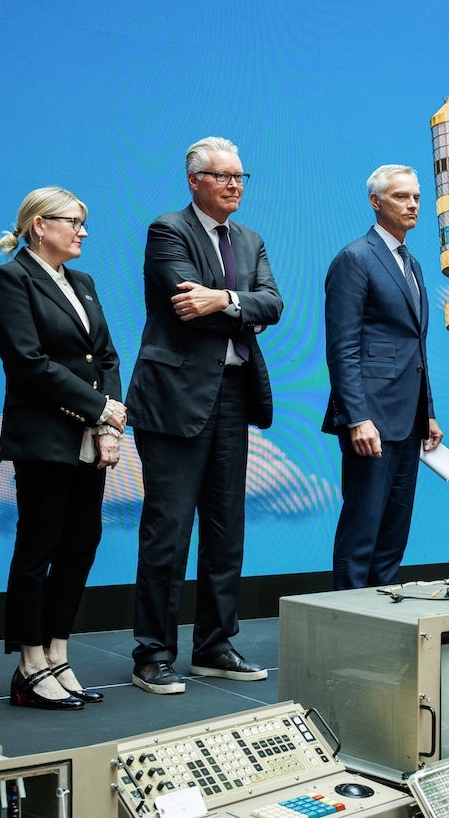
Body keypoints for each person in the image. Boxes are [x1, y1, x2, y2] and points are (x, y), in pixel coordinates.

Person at [127, 137, 283, 694]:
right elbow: (186, 304)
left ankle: (215, 645)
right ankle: (153, 653)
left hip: (233, 394)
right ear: (195, 181)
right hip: (174, 397)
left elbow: (274, 305)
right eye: (223, 176)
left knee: (225, 527)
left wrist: (224, 300)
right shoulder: (168, 230)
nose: (235, 185)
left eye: (240, 176)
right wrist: (238, 306)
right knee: (168, 530)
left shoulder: (250, 239)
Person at [0, 187, 126, 711]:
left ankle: (57, 653)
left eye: (84, 223)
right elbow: (28, 362)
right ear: (40, 226)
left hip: (89, 434)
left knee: (82, 542)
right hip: (44, 437)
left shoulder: (82, 282)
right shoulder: (9, 279)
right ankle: (29, 664)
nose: (83, 232)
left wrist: (108, 424)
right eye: (73, 222)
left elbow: (105, 356)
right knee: (38, 546)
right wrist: (100, 408)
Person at [322, 165, 443, 590]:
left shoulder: (413, 264)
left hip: (408, 421)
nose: (412, 205)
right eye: (401, 197)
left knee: (393, 538)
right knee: (361, 533)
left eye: (416, 197)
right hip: (370, 420)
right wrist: (357, 418)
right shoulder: (355, 258)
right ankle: (348, 621)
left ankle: (382, 619)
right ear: (376, 202)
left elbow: (415, 349)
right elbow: (342, 347)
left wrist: (428, 413)